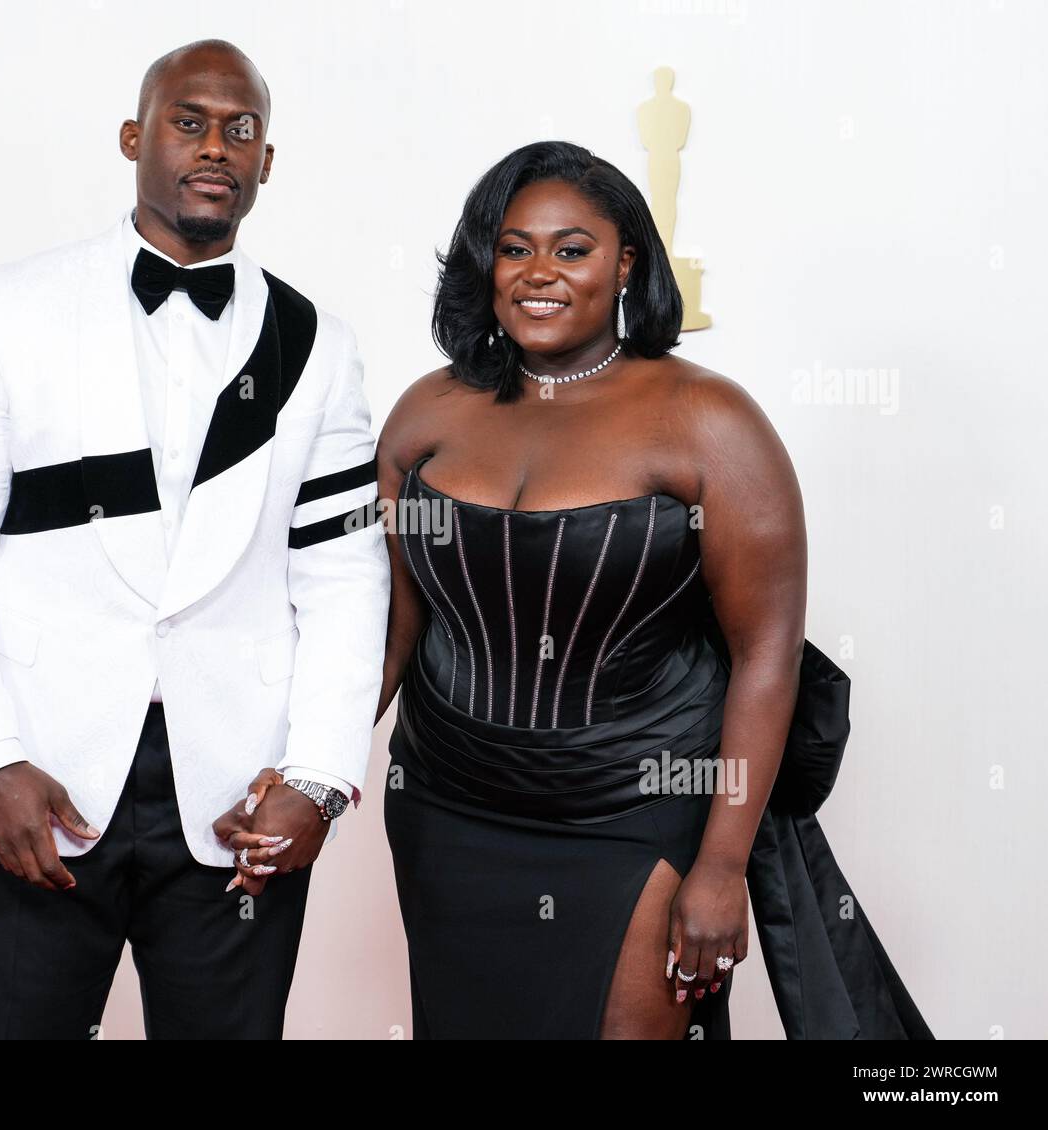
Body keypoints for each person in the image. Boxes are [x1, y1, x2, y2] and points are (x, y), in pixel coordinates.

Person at [375, 140, 931, 1039]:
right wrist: (307, 774)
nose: (538, 274)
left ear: (627, 260)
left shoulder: (710, 421)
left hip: (635, 813)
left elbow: (765, 657)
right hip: (447, 807)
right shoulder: (426, 411)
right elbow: (393, 632)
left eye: (572, 248)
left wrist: (720, 865)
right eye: (514, 249)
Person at [0, 39, 389, 1039]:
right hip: (36, 776)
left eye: (241, 128)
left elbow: (341, 571)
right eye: (189, 119)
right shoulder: (9, 310)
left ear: (266, 161)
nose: (217, 145)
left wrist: (321, 775)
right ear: (133, 136)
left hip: (237, 800)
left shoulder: (317, 345)